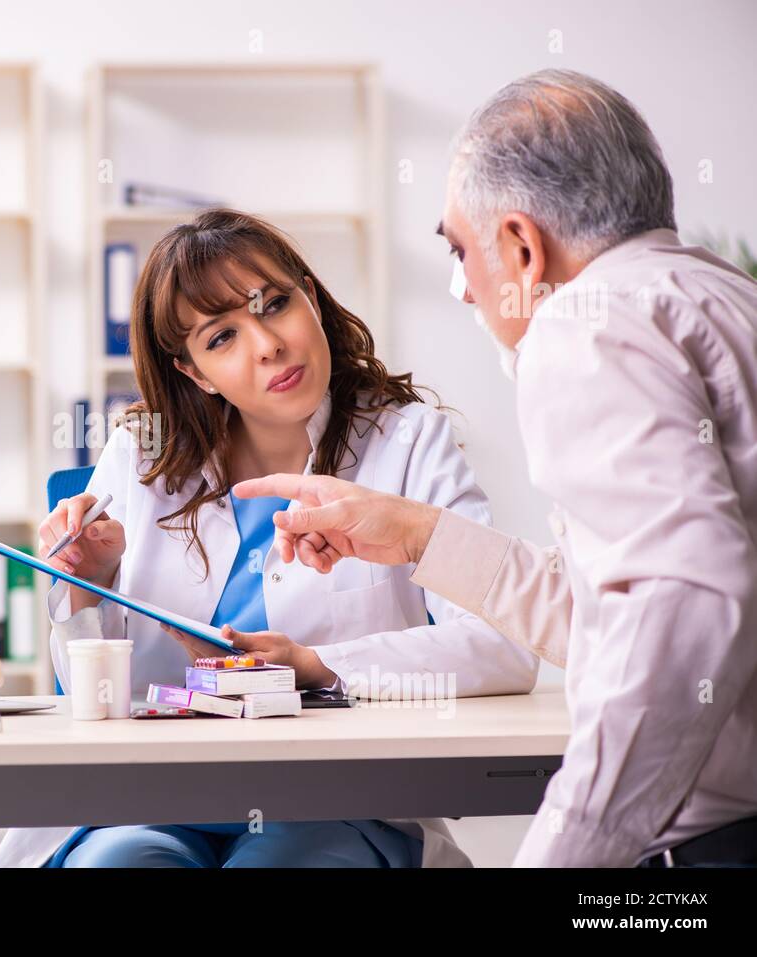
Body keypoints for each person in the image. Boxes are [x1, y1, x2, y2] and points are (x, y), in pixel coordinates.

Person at [235, 70, 757, 868]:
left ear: (520, 244)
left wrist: (570, 853)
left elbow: (682, 603)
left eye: (459, 248)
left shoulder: (585, 326)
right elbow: (617, 615)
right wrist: (416, 533)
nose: (462, 286)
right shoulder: (719, 294)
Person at [0, 208, 538, 869]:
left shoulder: (407, 441)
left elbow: (505, 645)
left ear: (311, 294)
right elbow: (92, 699)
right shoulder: (141, 451)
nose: (267, 344)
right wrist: (89, 584)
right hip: (151, 794)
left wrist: (313, 667)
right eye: (222, 338)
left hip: (335, 798)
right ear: (192, 371)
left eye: (275, 304)